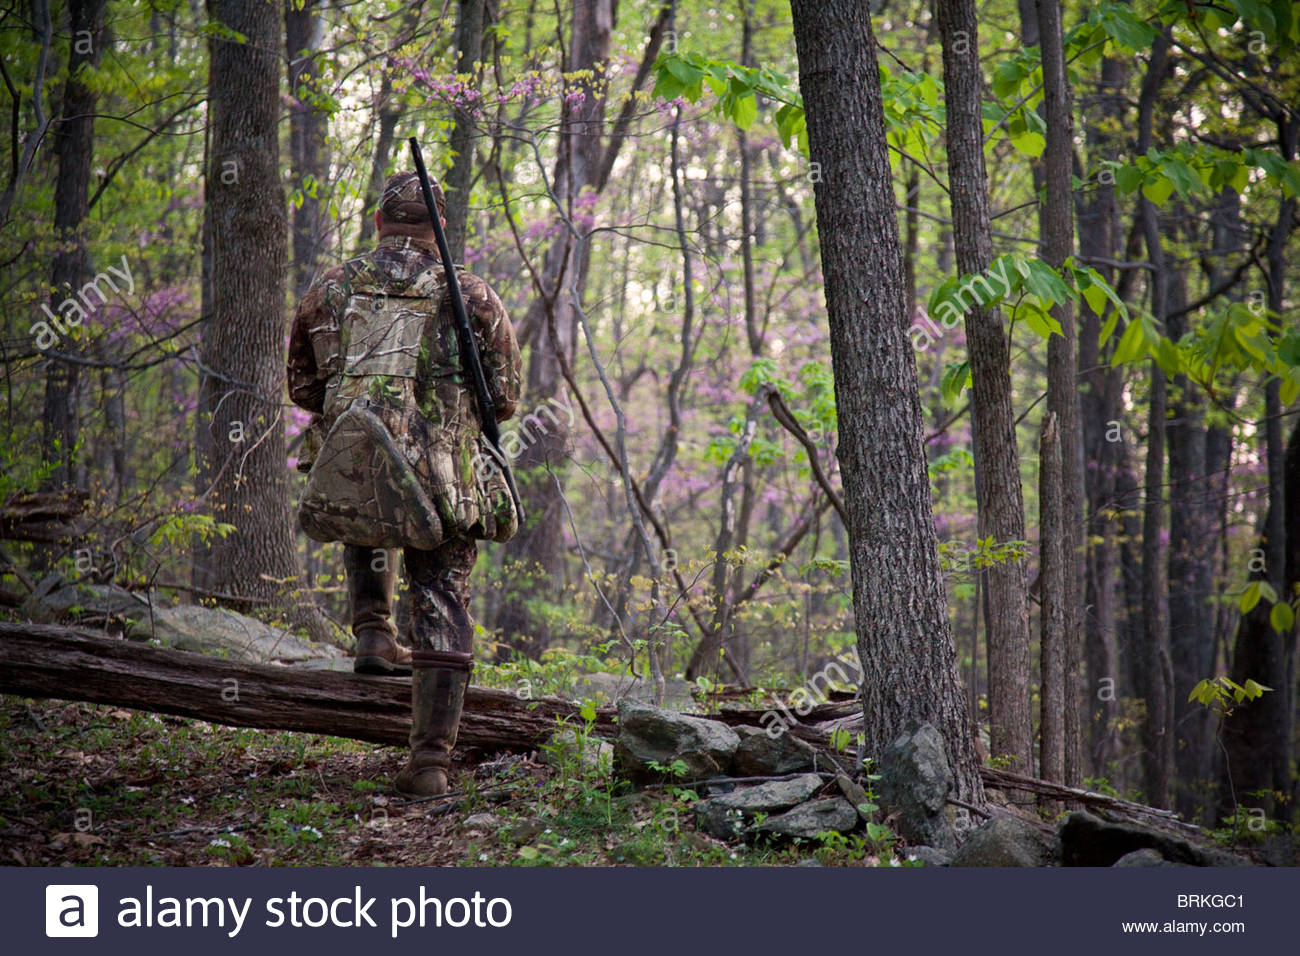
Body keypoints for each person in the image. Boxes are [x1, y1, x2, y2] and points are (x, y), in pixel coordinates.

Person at [287, 170, 522, 796]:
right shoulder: (471, 296)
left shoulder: (330, 287)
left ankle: (372, 631)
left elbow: (303, 388)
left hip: (352, 465)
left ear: (380, 224)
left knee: (361, 489)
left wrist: (365, 409)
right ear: (440, 226)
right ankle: (429, 765)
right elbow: (503, 397)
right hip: (446, 473)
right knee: (441, 589)